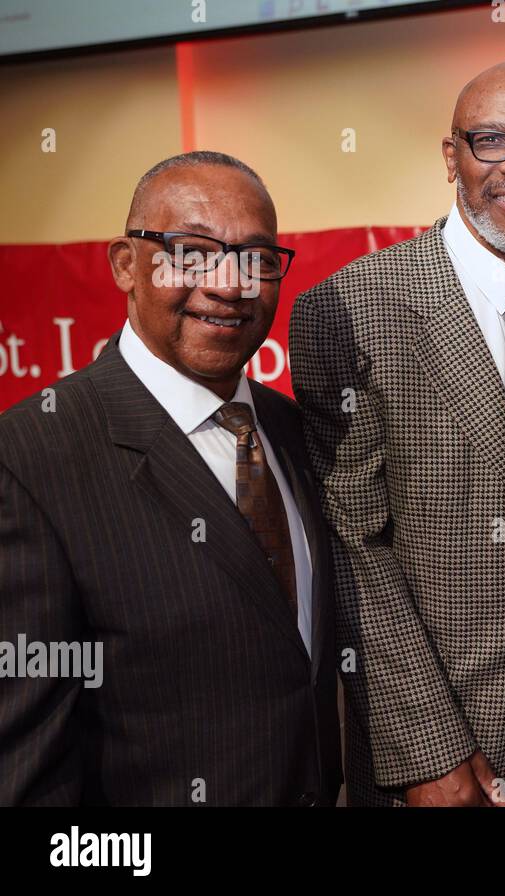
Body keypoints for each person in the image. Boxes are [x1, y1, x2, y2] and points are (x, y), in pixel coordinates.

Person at [290, 62, 505, 806]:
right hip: (437, 751)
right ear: (452, 156)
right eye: (492, 141)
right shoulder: (348, 310)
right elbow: (355, 550)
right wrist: (428, 751)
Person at [0, 150, 340, 806]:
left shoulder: (296, 433)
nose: (228, 282)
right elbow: (27, 768)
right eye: (190, 251)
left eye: (256, 258)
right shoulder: (30, 459)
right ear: (126, 264)